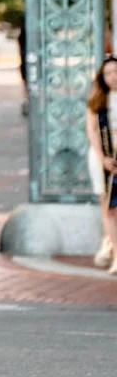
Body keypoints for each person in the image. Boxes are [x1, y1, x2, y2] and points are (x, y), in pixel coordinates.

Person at [86, 55, 117, 272]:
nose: (113, 77)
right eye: (108, 73)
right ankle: (116, 253)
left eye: (116, 71)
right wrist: (102, 158)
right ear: (102, 77)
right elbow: (92, 132)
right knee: (109, 209)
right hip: (102, 158)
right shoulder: (98, 100)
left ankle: (108, 245)